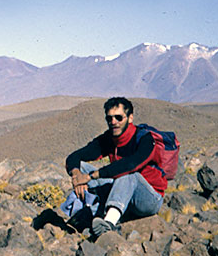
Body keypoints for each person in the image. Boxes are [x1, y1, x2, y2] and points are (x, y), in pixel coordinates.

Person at [65, 97, 166, 237]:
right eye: (109, 118)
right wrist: (77, 176)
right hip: (122, 192)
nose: (114, 122)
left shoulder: (144, 139)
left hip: (148, 199)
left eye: (119, 117)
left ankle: (108, 224)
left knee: (128, 174)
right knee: (81, 166)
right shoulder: (109, 138)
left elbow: (130, 165)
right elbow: (74, 157)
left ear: (130, 118)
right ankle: (80, 212)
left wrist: (89, 177)